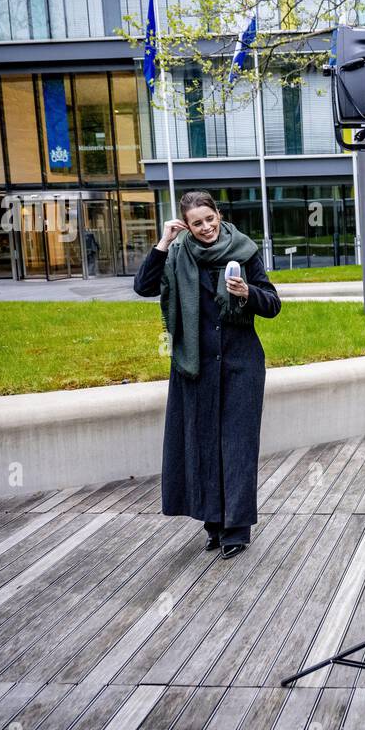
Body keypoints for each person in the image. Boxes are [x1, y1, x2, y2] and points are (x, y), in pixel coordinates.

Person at [133, 190, 281, 559]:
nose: (206, 228)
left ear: (219, 214)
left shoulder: (244, 251)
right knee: (203, 445)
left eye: (210, 219)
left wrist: (247, 292)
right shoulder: (178, 253)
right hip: (194, 366)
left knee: (237, 446)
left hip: (241, 364)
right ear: (186, 224)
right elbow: (144, 286)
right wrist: (164, 242)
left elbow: (273, 304)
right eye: (196, 223)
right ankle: (213, 523)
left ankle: (236, 529)